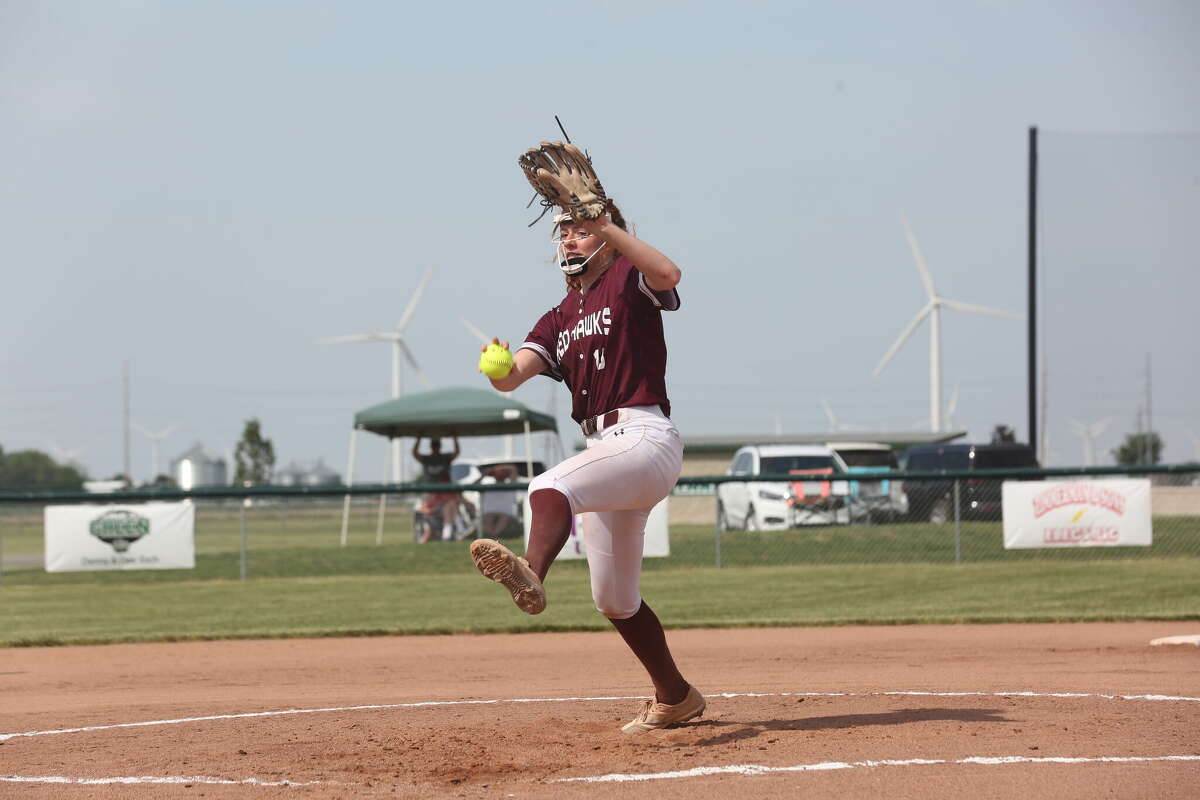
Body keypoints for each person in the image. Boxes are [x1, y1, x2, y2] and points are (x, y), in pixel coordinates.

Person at [469, 202, 703, 734]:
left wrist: (609, 229)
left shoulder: (627, 276)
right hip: (605, 447)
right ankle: (676, 697)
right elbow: (512, 378)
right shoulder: (558, 317)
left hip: (644, 435)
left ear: (606, 232)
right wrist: (497, 369)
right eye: (565, 232)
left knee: (549, 484)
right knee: (614, 600)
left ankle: (531, 571)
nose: (570, 239)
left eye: (581, 229)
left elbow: (669, 275)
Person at [412, 435, 461, 543]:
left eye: (437, 445)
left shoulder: (445, 458)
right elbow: (415, 454)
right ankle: (446, 534)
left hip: (443, 497)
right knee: (429, 530)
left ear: (440, 446)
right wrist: (419, 438)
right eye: (434, 446)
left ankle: (449, 535)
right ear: (431, 447)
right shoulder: (427, 459)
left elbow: (456, 452)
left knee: (450, 507)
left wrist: (454, 437)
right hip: (430, 496)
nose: (435, 447)